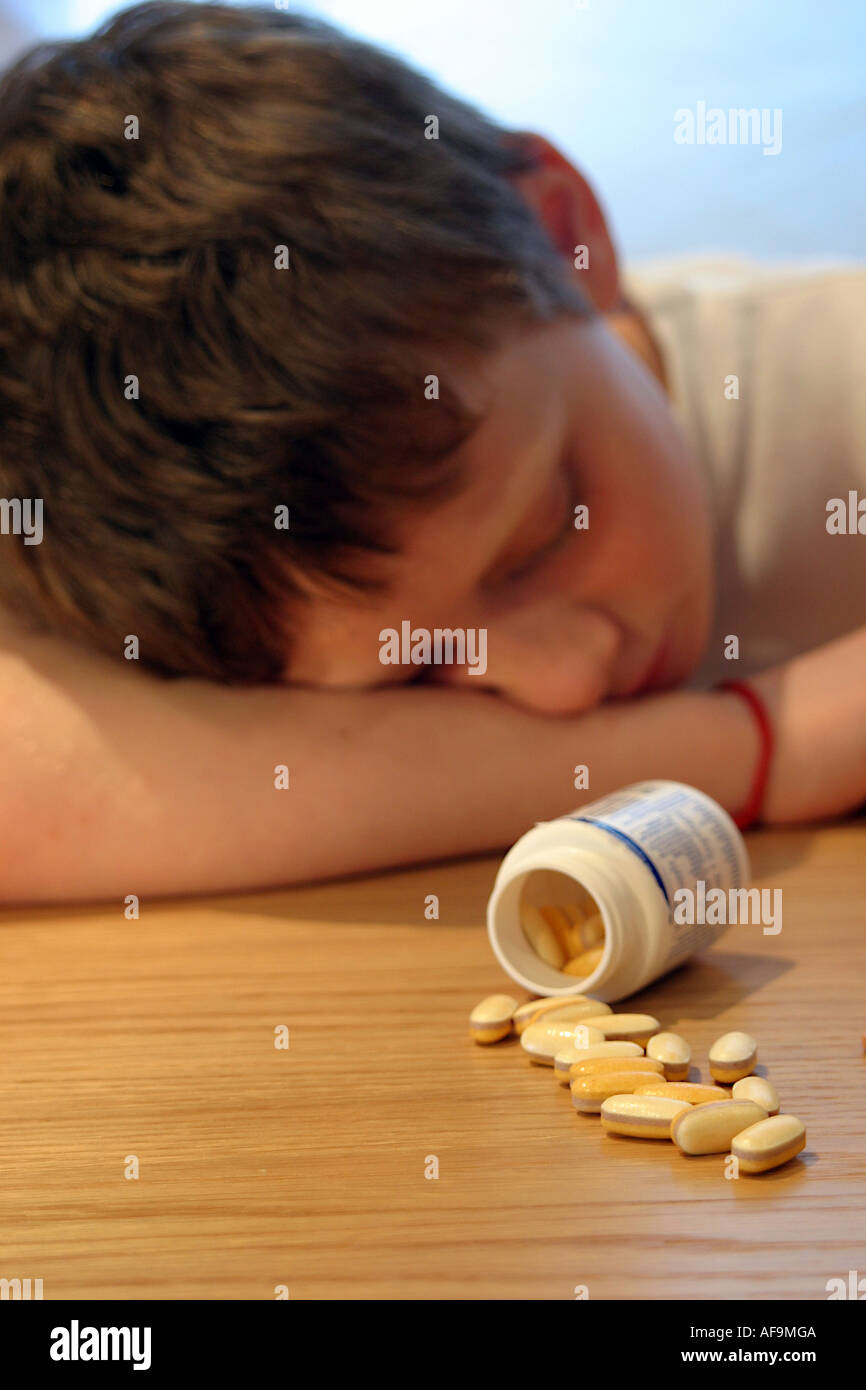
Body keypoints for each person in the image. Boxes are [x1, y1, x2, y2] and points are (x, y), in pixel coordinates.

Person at [0, 2, 864, 904]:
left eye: (544, 534)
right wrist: (762, 744)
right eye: (421, 670)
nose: (565, 684)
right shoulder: (111, 544)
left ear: (566, 234)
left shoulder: (838, 372)